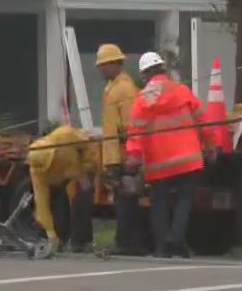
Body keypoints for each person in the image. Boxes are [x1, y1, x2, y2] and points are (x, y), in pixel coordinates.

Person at [124, 52, 215, 259]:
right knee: (184, 201)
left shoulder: (143, 98)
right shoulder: (182, 91)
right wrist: (211, 145)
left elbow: (136, 131)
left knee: (160, 202)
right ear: (163, 69)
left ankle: (162, 248)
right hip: (188, 159)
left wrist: (133, 159)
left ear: (145, 74)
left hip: (159, 162)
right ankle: (177, 241)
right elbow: (203, 120)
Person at [95, 43, 148, 256]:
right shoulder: (114, 87)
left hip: (122, 154)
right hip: (115, 153)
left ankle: (127, 243)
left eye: (102, 65)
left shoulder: (124, 89)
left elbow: (129, 126)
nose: (100, 69)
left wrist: (127, 157)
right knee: (122, 200)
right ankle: (127, 242)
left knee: (126, 201)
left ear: (113, 64)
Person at [27, 123, 102, 255]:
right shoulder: (37, 172)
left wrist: (84, 169)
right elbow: (42, 204)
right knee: (55, 203)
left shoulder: (65, 134)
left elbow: (89, 147)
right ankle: (56, 240)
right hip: (62, 178)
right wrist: (51, 234)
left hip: (81, 167)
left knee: (82, 199)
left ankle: (82, 241)